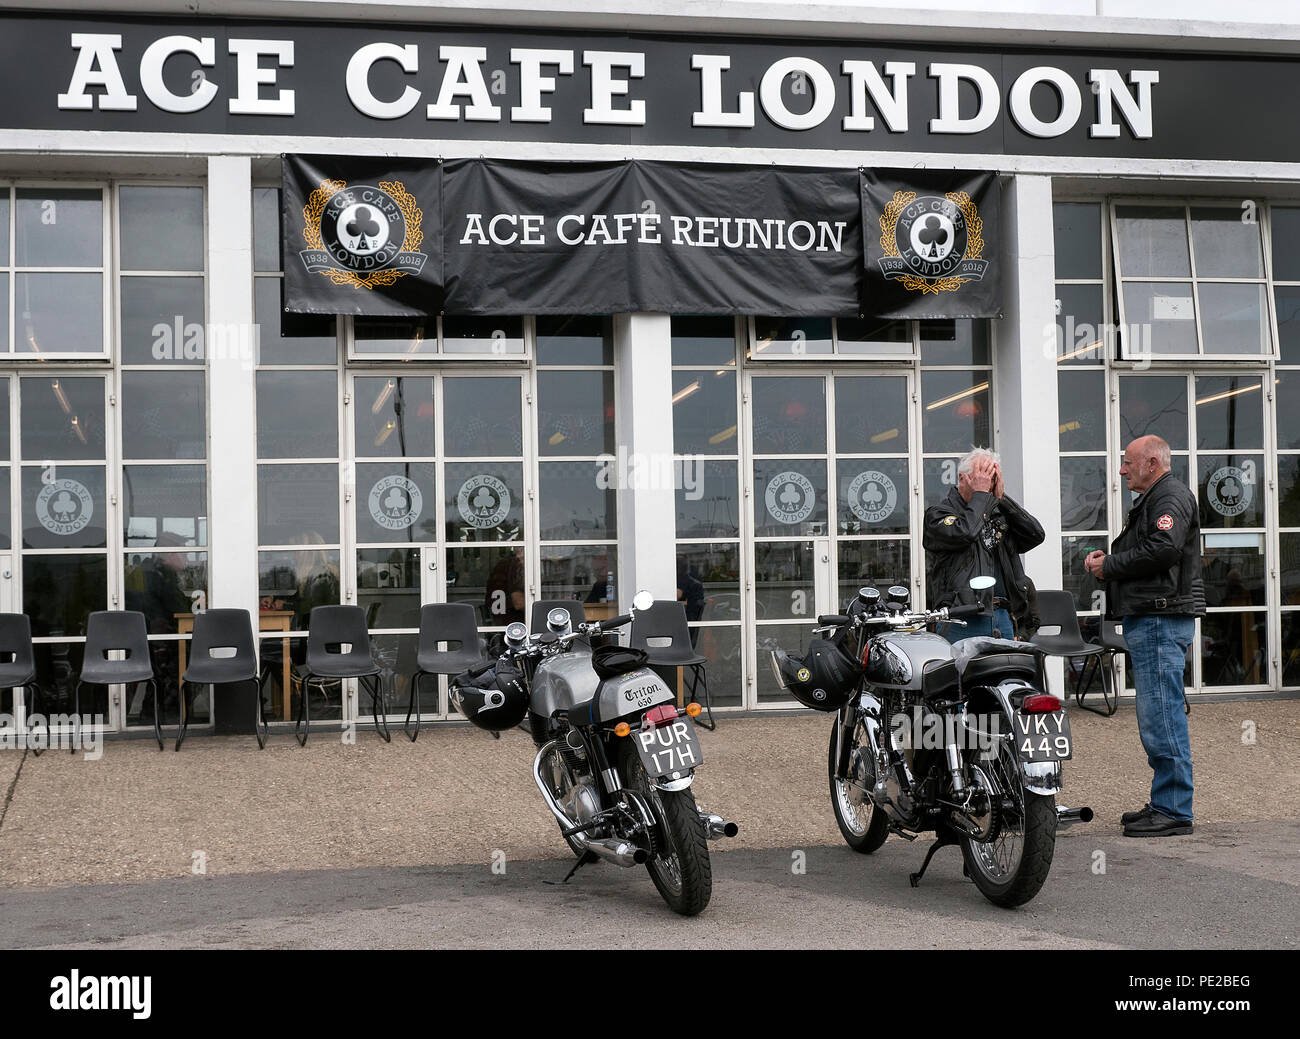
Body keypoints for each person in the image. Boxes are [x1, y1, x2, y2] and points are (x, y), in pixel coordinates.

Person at [1085, 435, 1203, 838]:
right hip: (1155, 617)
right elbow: (1156, 548)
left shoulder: (1168, 497)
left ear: (1152, 462)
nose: (1122, 470)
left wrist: (1111, 566)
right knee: (1158, 714)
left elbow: (1163, 549)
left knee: (1162, 715)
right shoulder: (1159, 497)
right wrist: (1112, 563)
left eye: (1128, 462)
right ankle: (1165, 802)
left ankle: (1173, 810)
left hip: (1159, 618)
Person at [923, 447, 1044, 643]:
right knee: (959, 673)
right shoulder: (938, 514)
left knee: (1006, 673)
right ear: (962, 478)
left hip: (1002, 616)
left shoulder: (997, 511)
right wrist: (981, 495)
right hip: (961, 617)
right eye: (982, 475)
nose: (987, 482)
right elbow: (965, 532)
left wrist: (1001, 499)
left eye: (992, 476)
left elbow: (1035, 535)